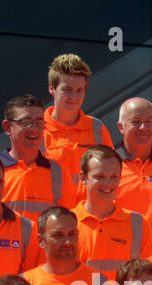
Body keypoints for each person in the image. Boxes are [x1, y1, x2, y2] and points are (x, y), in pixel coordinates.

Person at [73, 145, 152, 279]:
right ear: (83, 177)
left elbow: (150, 278)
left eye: (114, 177)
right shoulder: (68, 223)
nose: (108, 183)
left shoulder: (138, 225)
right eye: (99, 177)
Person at [0, 94, 77, 221]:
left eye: (39, 122)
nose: (34, 128)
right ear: (8, 127)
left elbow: (68, 225)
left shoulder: (59, 174)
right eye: (26, 122)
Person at [43, 54, 114, 187]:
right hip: (53, 208)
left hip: (88, 208)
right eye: (67, 90)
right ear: (51, 88)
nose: (74, 96)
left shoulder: (97, 128)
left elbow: (110, 173)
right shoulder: (37, 129)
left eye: (79, 90)